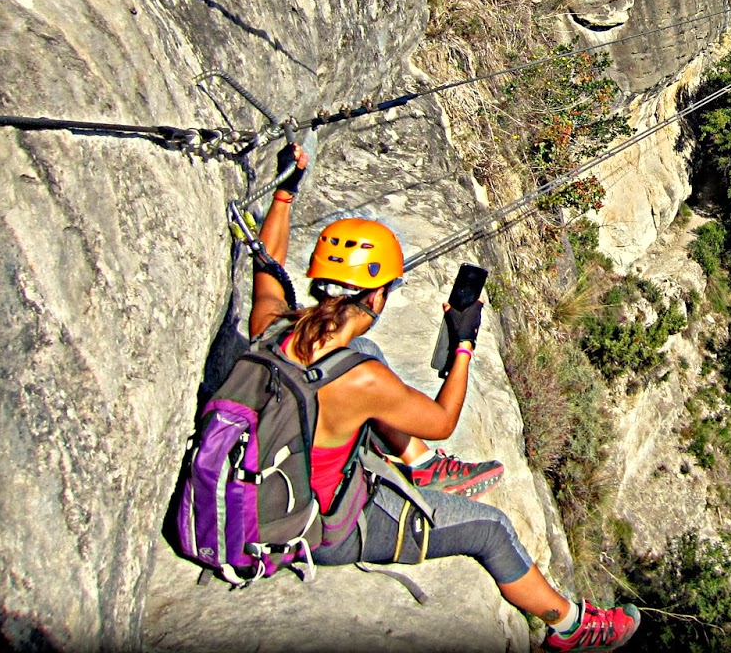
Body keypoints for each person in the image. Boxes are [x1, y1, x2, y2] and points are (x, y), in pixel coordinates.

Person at [251, 144, 640, 650]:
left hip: (264, 484)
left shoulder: (271, 325)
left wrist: (285, 192)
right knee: (490, 528)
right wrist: (464, 339)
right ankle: (571, 625)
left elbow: (267, 264)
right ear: (376, 296)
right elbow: (441, 419)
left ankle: (417, 464)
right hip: (314, 527)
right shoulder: (361, 380)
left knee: (364, 347)